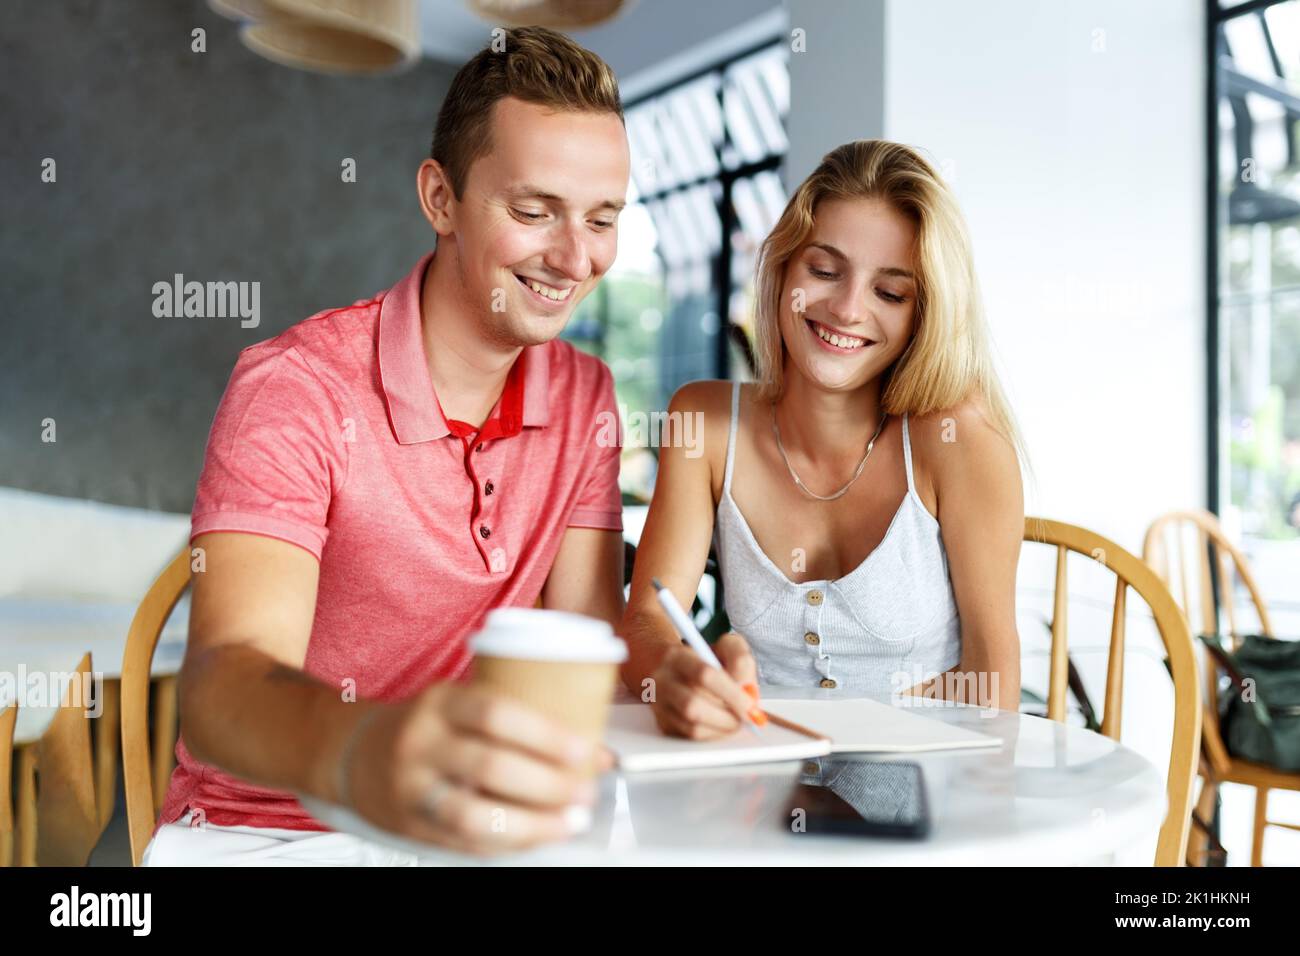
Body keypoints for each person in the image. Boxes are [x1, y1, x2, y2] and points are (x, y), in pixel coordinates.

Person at [144, 26, 632, 864]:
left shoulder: (587, 393)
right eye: (532, 210)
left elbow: (584, 648)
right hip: (272, 829)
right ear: (440, 198)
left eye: (602, 218)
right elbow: (224, 689)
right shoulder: (296, 387)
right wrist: (364, 753)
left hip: (482, 824)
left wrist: (678, 681)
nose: (574, 257)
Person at [620, 140, 1025, 740]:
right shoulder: (703, 424)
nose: (846, 308)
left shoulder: (957, 437)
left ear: (925, 314)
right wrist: (674, 672)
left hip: (929, 785)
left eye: (890, 293)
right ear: (783, 267)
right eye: (825, 270)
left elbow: (994, 680)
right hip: (761, 779)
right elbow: (647, 620)